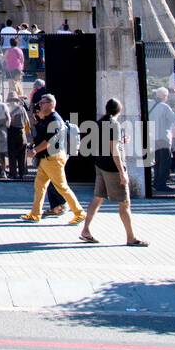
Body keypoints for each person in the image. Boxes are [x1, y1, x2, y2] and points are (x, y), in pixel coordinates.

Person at [79, 99, 148, 245]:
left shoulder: (99, 123)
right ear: (119, 110)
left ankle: (85, 230)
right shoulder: (114, 124)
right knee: (125, 202)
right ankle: (131, 237)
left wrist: (120, 141)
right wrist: (122, 171)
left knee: (98, 198)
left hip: (100, 165)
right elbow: (114, 149)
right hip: (112, 168)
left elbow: (104, 143)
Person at [21, 93, 84, 223]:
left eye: (42, 103)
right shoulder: (47, 118)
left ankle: (79, 213)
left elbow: (49, 141)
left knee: (62, 187)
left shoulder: (55, 120)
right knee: (39, 186)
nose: (39, 105)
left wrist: (34, 150)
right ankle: (35, 214)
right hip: (46, 159)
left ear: (50, 104)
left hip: (53, 159)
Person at [148, 86, 175, 192]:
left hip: (153, 137)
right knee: (164, 162)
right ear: (164, 96)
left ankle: (156, 182)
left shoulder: (150, 104)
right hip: (163, 138)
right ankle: (161, 184)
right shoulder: (165, 107)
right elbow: (174, 120)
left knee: (157, 162)